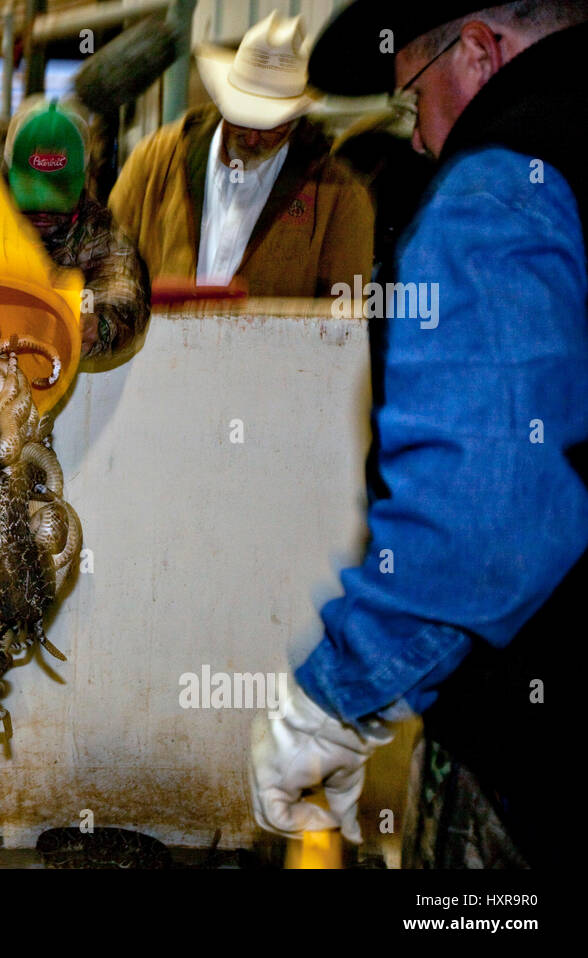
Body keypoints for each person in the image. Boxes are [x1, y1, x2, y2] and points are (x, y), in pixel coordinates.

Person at [250, 0, 588, 869]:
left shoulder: (499, 182)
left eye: (411, 101)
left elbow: (484, 516)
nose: (418, 139)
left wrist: (336, 700)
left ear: (478, 51)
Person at [108, 12, 373, 297]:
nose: (252, 137)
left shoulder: (339, 197)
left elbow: (344, 318)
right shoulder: (154, 161)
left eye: (270, 126)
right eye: (241, 118)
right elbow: (106, 262)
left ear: (296, 119)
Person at [3, 95, 150, 358]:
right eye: (30, 195)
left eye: (56, 200)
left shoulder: (99, 232)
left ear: (82, 182)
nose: (43, 209)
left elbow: (124, 299)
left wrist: (99, 326)